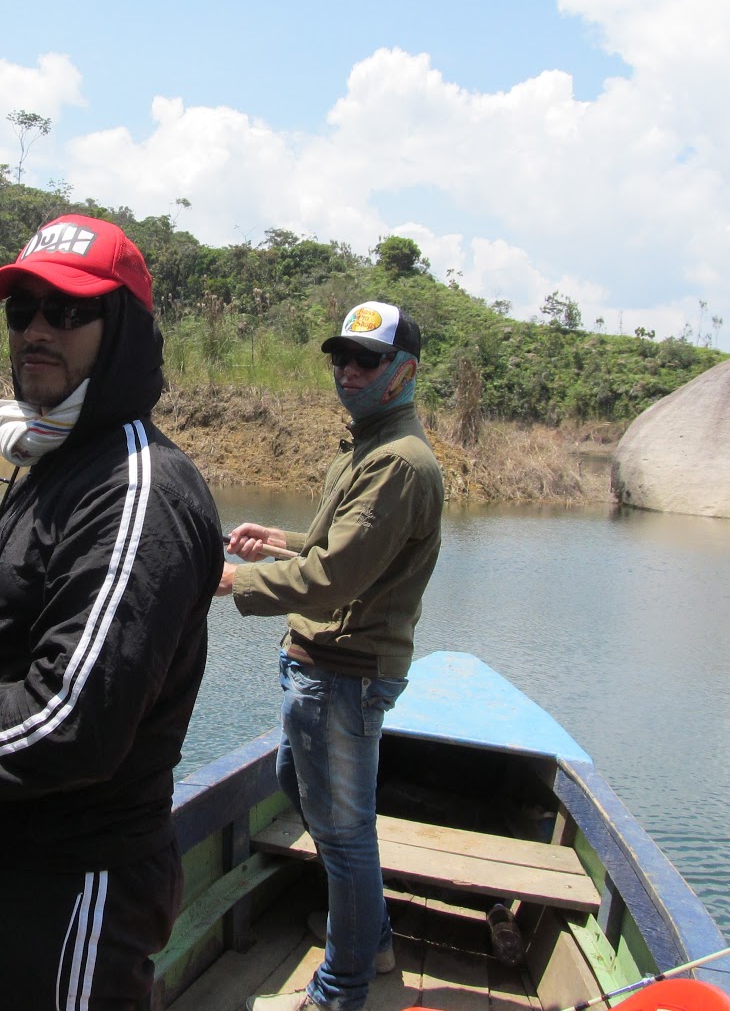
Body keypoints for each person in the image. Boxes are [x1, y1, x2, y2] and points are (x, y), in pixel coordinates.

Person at [0, 213, 225, 1011]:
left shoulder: (136, 490)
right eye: (22, 311)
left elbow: (66, 722)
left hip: (70, 892)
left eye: (68, 311)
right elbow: (40, 637)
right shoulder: (59, 458)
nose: (38, 331)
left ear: (120, 327)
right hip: (5, 878)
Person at [219, 300, 444, 1011]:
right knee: (308, 794)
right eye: (341, 357)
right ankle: (368, 936)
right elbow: (331, 552)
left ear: (403, 371)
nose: (348, 371)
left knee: (344, 840)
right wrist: (277, 541)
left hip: (343, 676)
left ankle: (342, 987)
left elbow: (333, 582)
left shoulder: (397, 465)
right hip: (325, 667)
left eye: (366, 360)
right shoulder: (365, 449)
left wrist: (229, 580)